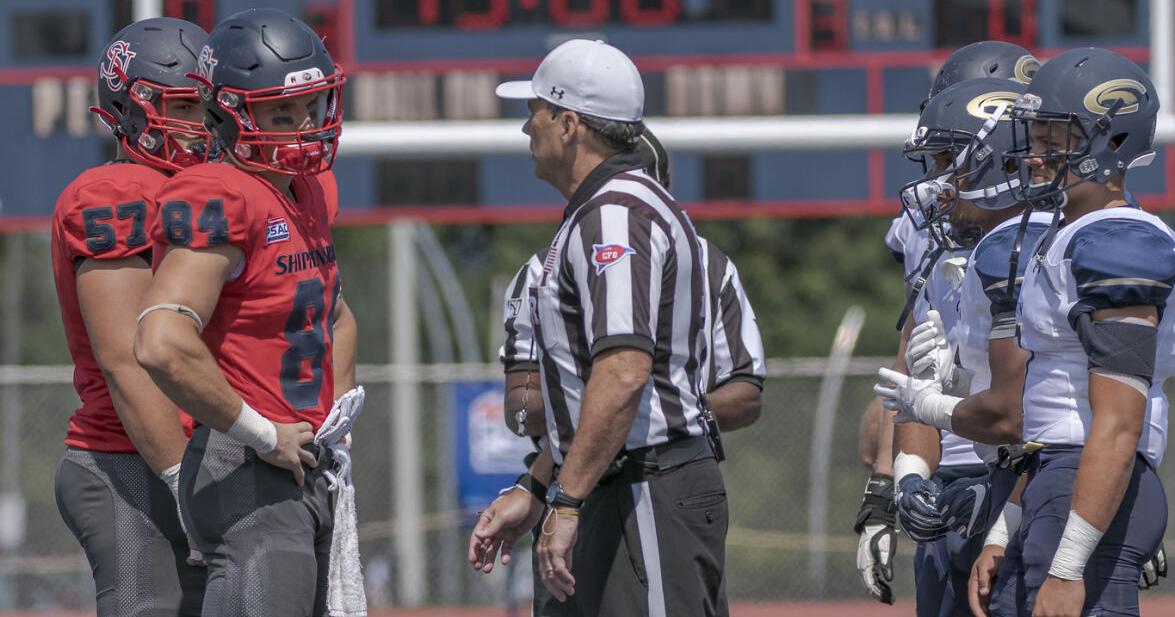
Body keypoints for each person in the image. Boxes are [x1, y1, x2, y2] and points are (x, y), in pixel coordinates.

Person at [470, 39, 725, 616]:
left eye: (533, 111)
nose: (525, 129)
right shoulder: (605, 210)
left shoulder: (615, 215)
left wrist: (565, 501)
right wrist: (539, 486)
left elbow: (625, 371)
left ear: (568, 123)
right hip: (616, 485)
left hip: (644, 488)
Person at [132, 8, 360, 615]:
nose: (303, 128)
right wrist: (263, 432)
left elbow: (336, 317)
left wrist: (334, 432)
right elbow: (160, 341)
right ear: (225, 113)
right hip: (249, 466)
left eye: (311, 109)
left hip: (302, 463)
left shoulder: (304, 191)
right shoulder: (220, 193)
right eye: (281, 114)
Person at [497, 128, 765, 615]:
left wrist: (666, 405)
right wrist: (541, 481)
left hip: (646, 480)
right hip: (580, 483)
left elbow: (633, 381)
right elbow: (526, 409)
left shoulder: (695, 258)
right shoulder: (542, 268)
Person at [854, 40, 1040, 606]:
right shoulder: (938, 233)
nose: (935, 179)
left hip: (1032, 480)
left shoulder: (1064, 238)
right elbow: (913, 364)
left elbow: (1084, 396)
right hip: (950, 476)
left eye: (946, 156)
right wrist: (893, 484)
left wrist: (1114, 488)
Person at [50, 17, 211, 616]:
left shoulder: (222, 190)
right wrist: (180, 483)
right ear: (134, 106)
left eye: (208, 107)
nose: (201, 125)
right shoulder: (114, 193)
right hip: (130, 463)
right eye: (185, 107)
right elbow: (127, 360)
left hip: (209, 458)